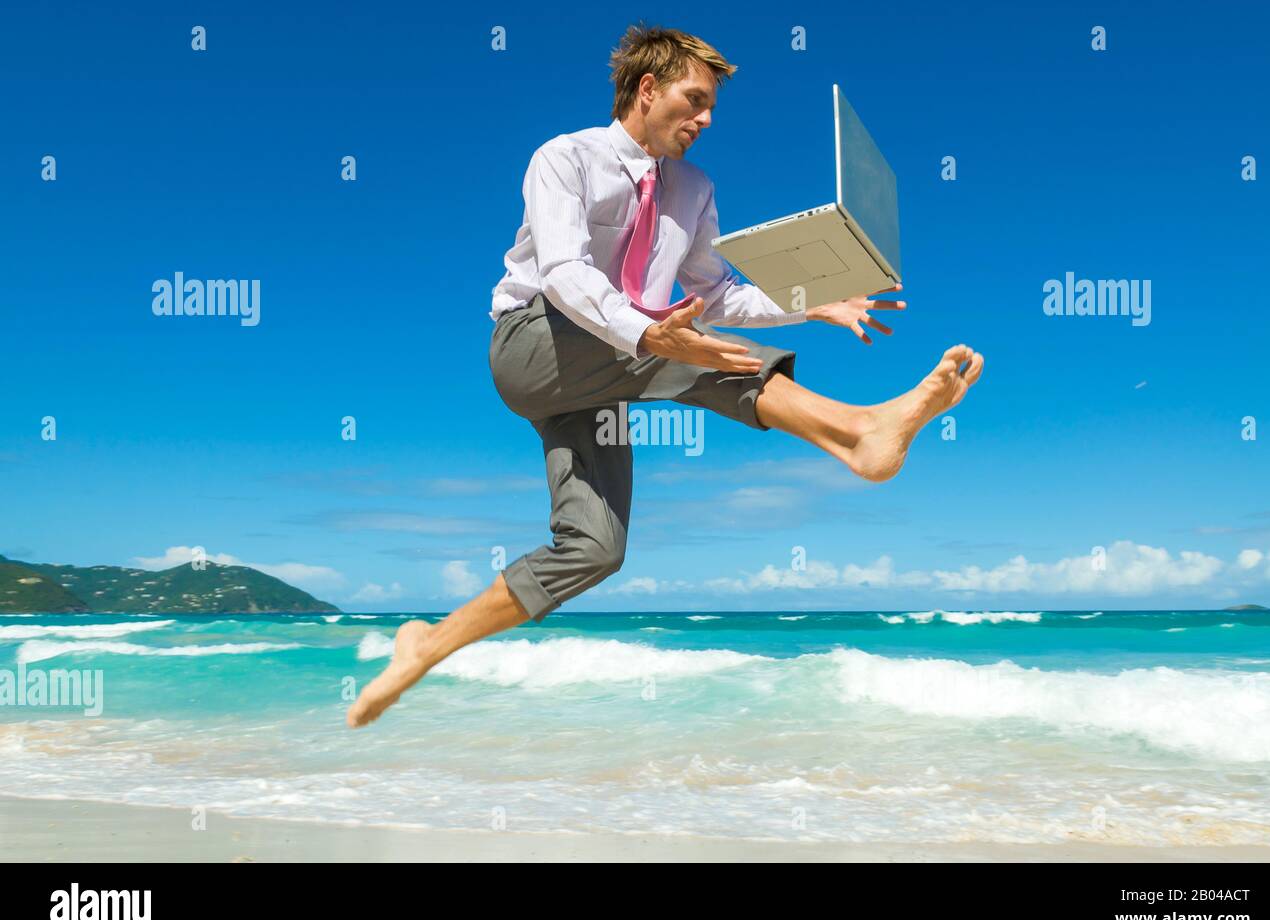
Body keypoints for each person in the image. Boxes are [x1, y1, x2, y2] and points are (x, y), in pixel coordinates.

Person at [347, 24, 982, 728]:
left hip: (615, 370)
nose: (706, 120)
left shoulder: (694, 189)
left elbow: (719, 293)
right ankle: (858, 429)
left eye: (712, 106)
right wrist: (653, 334)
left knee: (595, 547)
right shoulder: (565, 157)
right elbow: (562, 273)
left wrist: (815, 301)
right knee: (685, 340)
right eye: (695, 99)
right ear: (647, 90)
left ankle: (425, 646)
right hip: (533, 346)